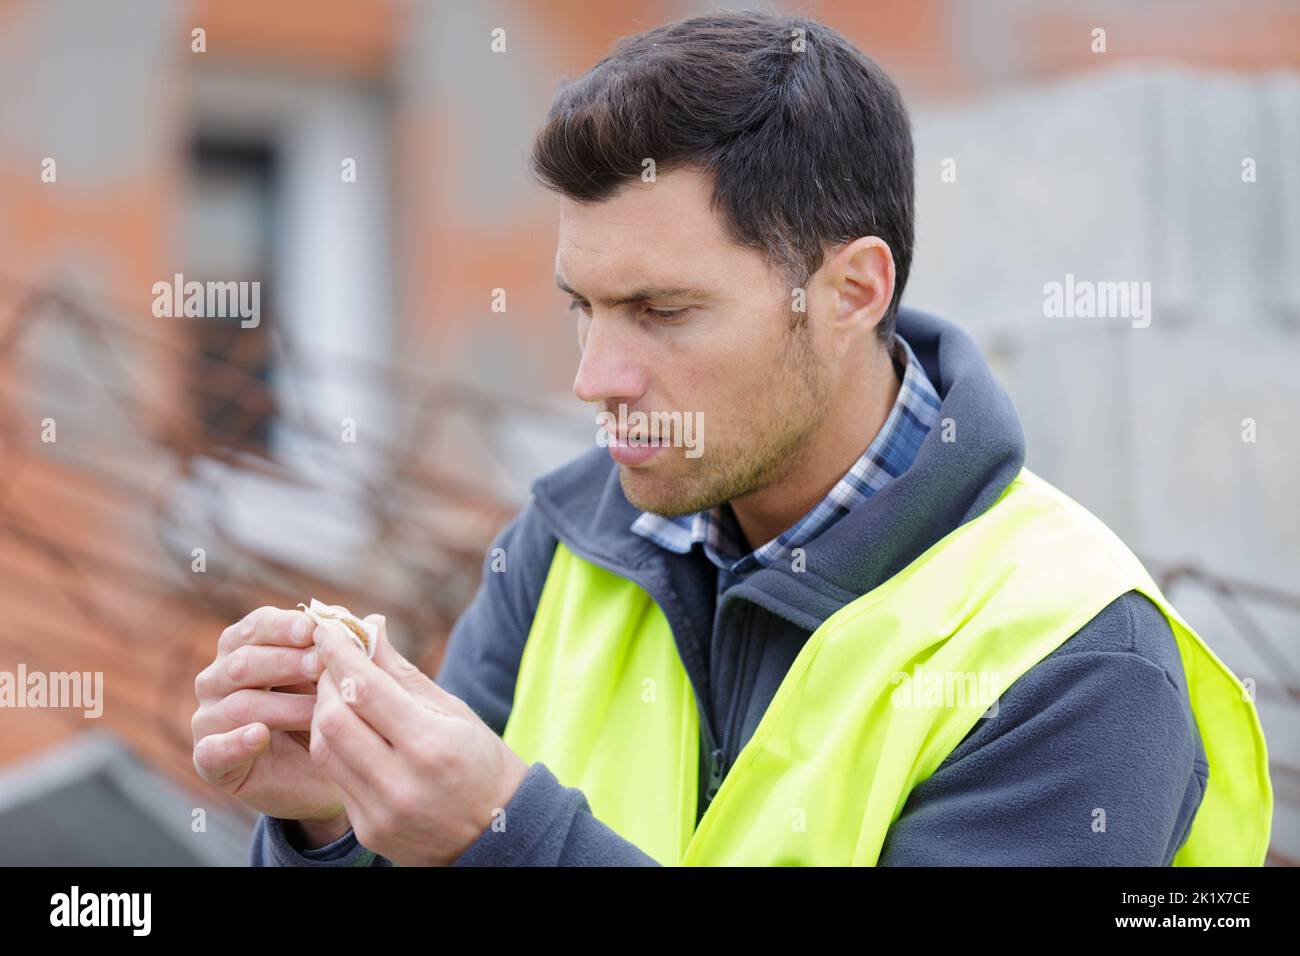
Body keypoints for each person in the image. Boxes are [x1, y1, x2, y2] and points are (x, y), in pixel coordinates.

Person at [192, 10, 1270, 867]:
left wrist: (502, 835)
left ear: (850, 291)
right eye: (583, 305)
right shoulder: (566, 542)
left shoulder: (1073, 657)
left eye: (662, 312)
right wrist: (333, 826)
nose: (594, 380)